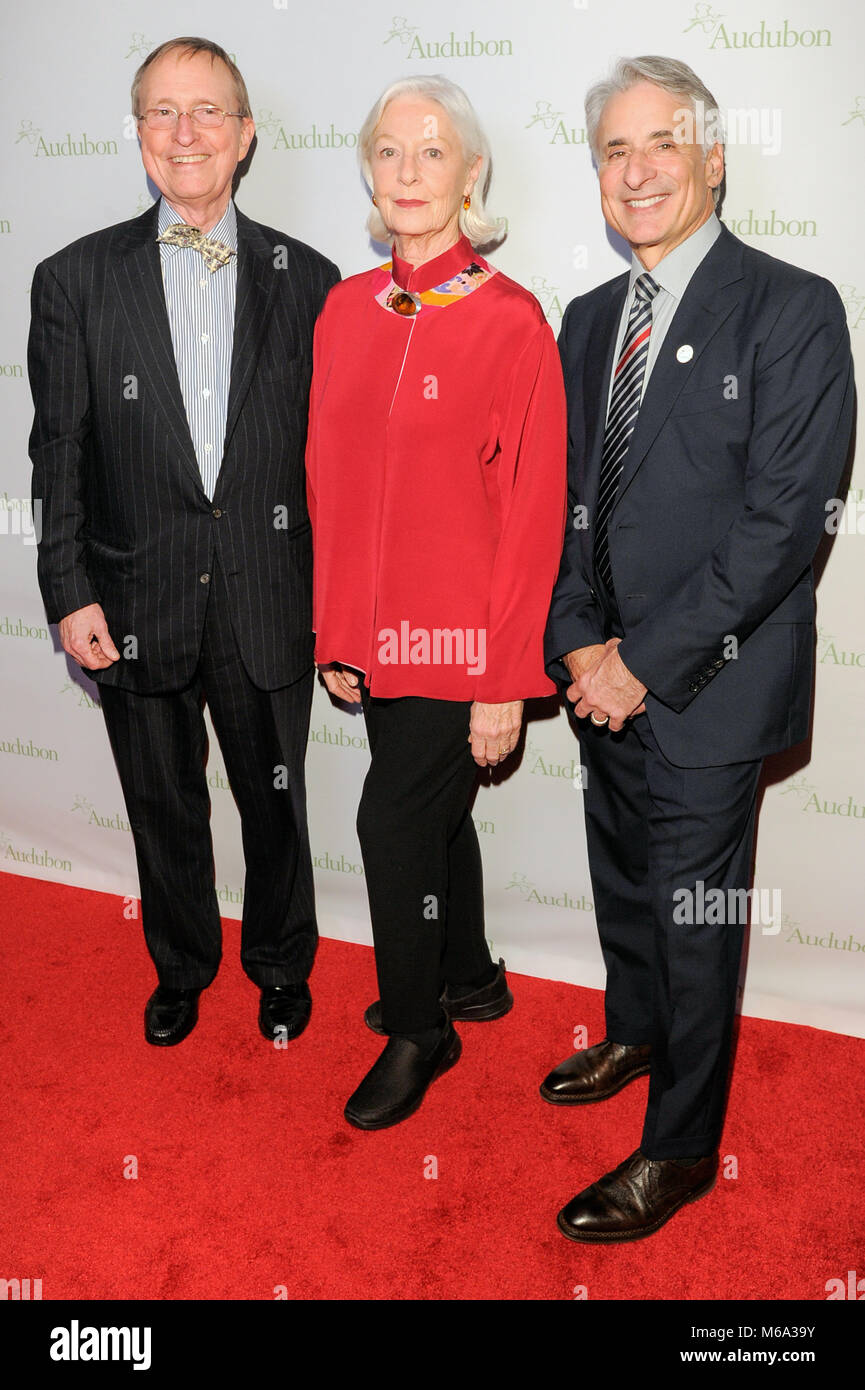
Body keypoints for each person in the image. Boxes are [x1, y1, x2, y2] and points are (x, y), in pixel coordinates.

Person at [543, 55, 854, 1241]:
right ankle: (634, 1030)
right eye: (614, 151)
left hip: (706, 690)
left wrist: (641, 662)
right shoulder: (587, 322)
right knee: (625, 879)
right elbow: (573, 503)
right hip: (601, 678)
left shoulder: (793, 305)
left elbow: (785, 524)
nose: (637, 171)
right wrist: (576, 641)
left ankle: (677, 1149)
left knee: (692, 917)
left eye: (660, 145)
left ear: (713, 158)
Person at [28, 37, 339, 1048]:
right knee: (161, 805)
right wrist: (68, 589)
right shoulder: (73, 280)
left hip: (268, 595)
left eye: (208, 111)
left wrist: (340, 608)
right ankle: (182, 964)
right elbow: (58, 449)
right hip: (131, 599)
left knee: (275, 805)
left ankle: (281, 964)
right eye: (163, 112)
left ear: (245, 136)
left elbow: (333, 470)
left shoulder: (313, 279)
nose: (186, 132)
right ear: (139, 135)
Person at [306, 74, 566, 1129]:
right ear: (368, 170)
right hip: (377, 635)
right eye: (388, 152)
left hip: (465, 643)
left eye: (431, 152)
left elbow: (535, 514)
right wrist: (336, 628)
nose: (408, 172)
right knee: (428, 813)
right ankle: (470, 971)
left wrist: (505, 678)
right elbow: (324, 480)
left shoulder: (510, 321)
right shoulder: (342, 310)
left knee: (390, 821)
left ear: (471, 173)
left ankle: (422, 1026)